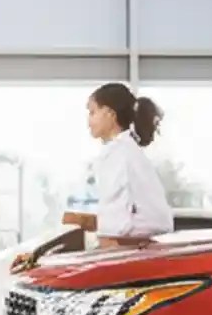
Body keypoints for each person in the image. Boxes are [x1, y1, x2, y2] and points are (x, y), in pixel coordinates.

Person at [12, 82, 173, 272]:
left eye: (93, 112)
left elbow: (119, 218)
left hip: (123, 253)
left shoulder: (118, 154)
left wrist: (99, 237)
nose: (89, 121)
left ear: (110, 114)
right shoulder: (126, 151)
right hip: (132, 248)